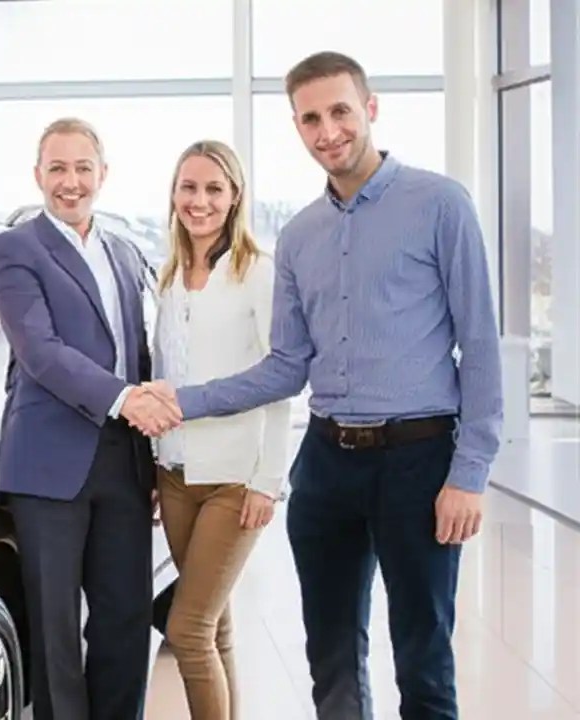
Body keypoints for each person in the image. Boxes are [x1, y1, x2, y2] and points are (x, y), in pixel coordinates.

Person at [146, 51, 503, 720]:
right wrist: (180, 401)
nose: (327, 130)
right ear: (297, 126)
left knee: (423, 655)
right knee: (331, 656)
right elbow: (286, 365)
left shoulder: (439, 204)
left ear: (369, 108)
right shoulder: (302, 235)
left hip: (419, 461)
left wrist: (470, 471)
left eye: (340, 111)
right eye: (311, 118)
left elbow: (480, 342)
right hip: (327, 465)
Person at [0, 117, 174, 720]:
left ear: (103, 174)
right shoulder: (15, 248)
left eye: (82, 168)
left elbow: (138, 349)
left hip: (123, 460)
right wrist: (125, 398)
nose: (71, 182)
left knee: (125, 617)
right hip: (49, 464)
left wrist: (150, 453)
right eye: (58, 168)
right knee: (55, 626)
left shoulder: (123, 250)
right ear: (38, 175)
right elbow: (39, 352)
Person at [151, 139, 291, 720]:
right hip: (176, 474)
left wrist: (269, 480)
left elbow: (281, 378)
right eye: (189, 187)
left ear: (235, 197)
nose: (199, 200)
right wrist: (155, 466)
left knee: (186, 629)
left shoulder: (258, 272)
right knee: (216, 626)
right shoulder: (169, 277)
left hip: (234, 478)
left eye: (213, 188)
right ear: (174, 194)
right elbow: (163, 375)